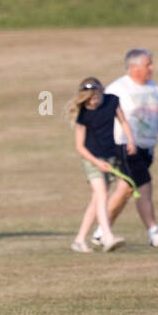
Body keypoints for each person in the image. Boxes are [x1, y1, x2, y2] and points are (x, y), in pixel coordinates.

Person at [99, 48, 158, 247]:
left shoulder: (153, 88)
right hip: (124, 146)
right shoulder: (117, 89)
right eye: (148, 64)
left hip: (146, 147)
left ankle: (101, 231)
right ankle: (154, 231)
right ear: (134, 67)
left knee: (125, 189)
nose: (152, 68)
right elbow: (102, 119)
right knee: (143, 185)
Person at [66, 77, 134, 252]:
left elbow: (124, 122)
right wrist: (97, 162)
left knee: (97, 201)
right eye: (89, 100)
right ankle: (107, 236)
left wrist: (131, 141)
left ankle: (79, 240)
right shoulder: (83, 114)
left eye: (96, 98)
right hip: (92, 159)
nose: (94, 102)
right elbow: (80, 147)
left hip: (110, 156)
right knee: (102, 194)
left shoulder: (112, 101)